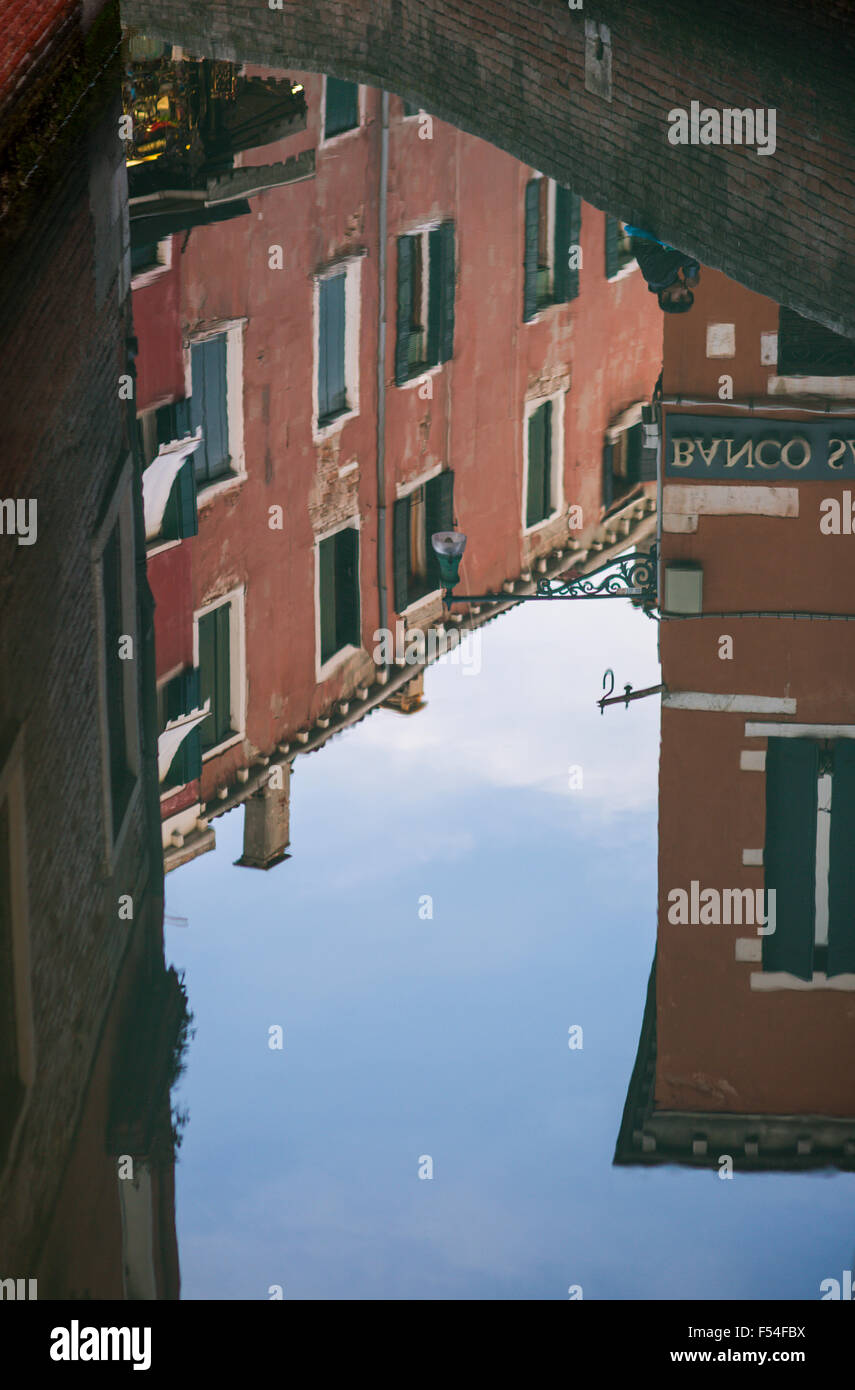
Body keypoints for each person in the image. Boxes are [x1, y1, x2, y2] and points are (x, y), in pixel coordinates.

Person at [622, 223, 700, 313]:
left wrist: (691, 275)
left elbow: (687, 256)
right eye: (688, 293)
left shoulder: (660, 278)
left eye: (680, 296)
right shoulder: (659, 281)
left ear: (664, 297)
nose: (685, 290)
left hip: (647, 227)